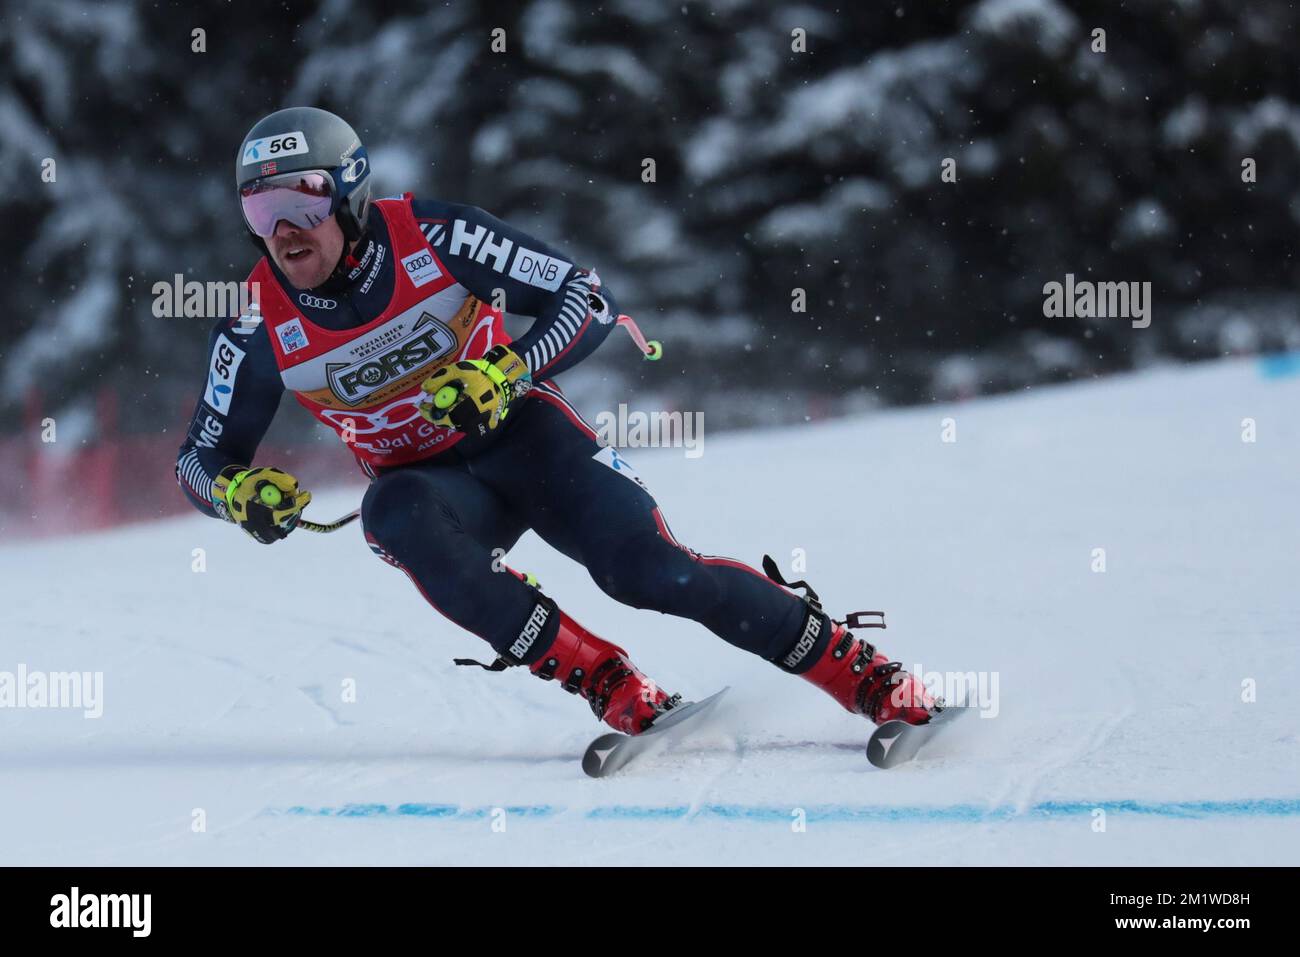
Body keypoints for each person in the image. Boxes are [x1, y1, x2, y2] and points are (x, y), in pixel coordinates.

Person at [175, 106, 936, 737]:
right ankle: (608, 679)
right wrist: (240, 493)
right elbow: (198, 461)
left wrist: (511, 368)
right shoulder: (254, 322)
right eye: (261, 210)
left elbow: (590, 298)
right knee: (391, 513)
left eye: (301, 203)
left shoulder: (433, 235)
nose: (284, 229)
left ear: (348, 196)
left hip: (526, 441)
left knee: (647, 573)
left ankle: (857, 669)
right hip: (435, 491)